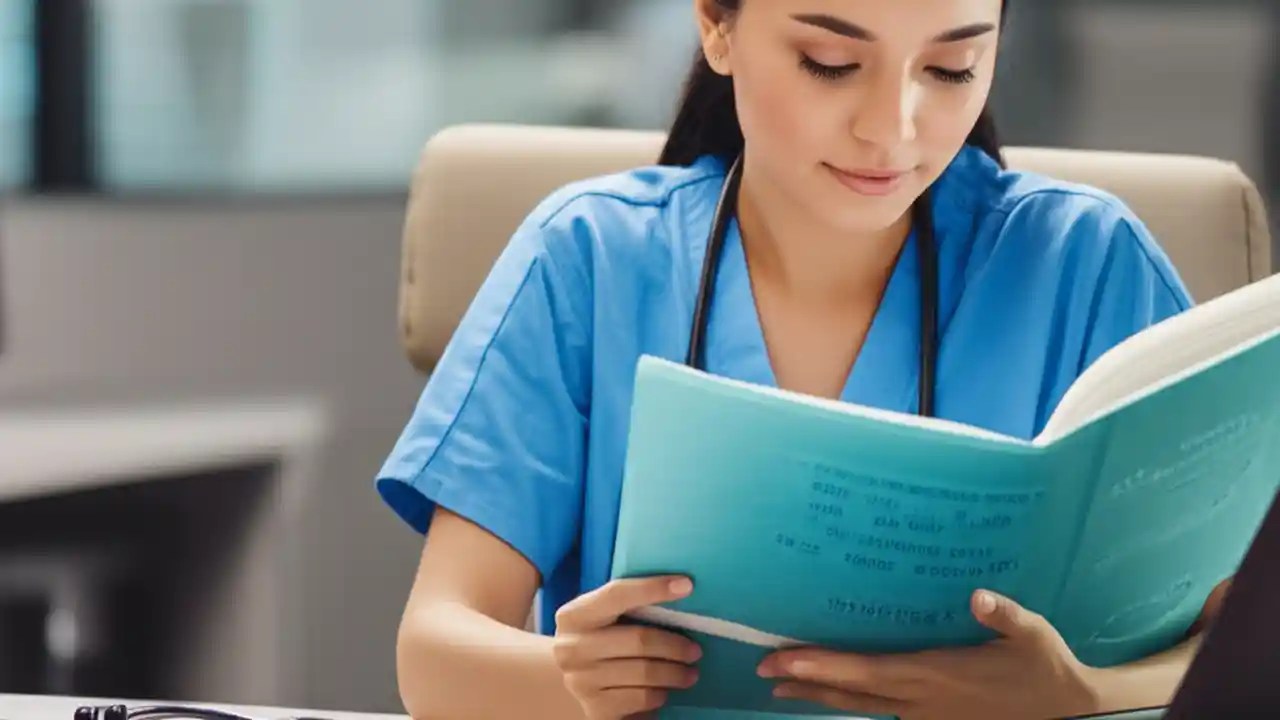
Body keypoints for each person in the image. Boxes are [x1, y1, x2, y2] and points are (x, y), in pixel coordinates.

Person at [375, 1, 1229, 718]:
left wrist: (1080, 693)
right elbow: (435, 651)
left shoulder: (1090, 266)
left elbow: (1244, 646)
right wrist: (569, 682)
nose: (890, 128)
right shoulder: (589, 257)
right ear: (717, 24)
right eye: (829, 62)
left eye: (952, 69)